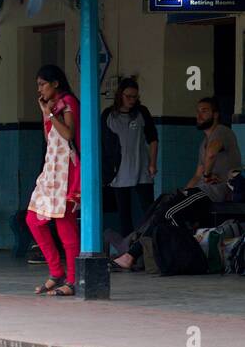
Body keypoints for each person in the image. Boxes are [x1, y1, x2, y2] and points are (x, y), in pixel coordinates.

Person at [111, 96, 242, 271]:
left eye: (204, 111)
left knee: (168, 214)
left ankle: (139, 255)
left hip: (216, 192)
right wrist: (183, 192)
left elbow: (211, 154)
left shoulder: (222, 131)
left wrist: (207, 174)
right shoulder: (203, 142)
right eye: (198, 111)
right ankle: (132, 253)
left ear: (216, 114)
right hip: (200, 192)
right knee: (163, 205)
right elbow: (197, 174)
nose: (199, 115)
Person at [26, 65, 81, 296]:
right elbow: (49, 137)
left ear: (55, 83)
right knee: (33, 219)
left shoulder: (68, 102)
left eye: (42, 84)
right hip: (51, 172)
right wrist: (45, 112)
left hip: (67, 172)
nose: (39, 89)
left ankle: (72, 279)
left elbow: (68, 134)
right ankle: (56, 271)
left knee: (64, 222)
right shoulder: (52, 106)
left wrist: (50, 114)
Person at [102, 77, 159, 238]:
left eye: (135, 97)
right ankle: (127, 246)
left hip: (141, 168)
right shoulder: (109, 115)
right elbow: (102, 145)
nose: (132, 100)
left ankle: (151, 241)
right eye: (128, 96)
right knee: (124, 213)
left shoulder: (142, 112)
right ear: (120, 95)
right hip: (118, 171)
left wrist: (153, 163)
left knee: (149, 209)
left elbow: (153, 138)